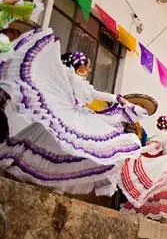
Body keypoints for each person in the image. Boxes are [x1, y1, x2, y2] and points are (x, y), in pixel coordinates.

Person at [0, 29, 148, 196]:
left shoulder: (82, 83)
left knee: (70, 151)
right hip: (67, 114)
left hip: (78, 114)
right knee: (59, 148)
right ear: (79, 66)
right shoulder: (68, 76)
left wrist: (119, 98)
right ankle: (49, 182)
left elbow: (95, 94)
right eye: (87, 66)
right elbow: (75, 91)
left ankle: (59, 186)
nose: (89, 70)